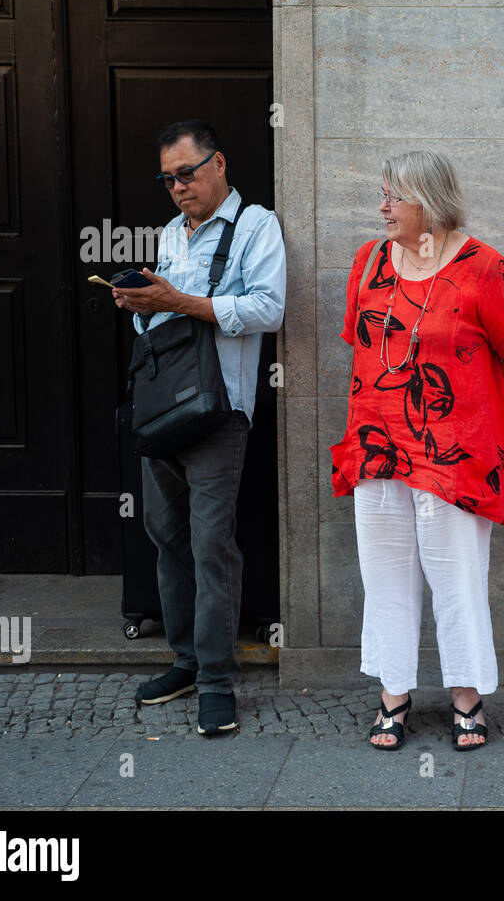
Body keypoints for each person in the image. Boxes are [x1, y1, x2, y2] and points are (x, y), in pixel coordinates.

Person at [330, 150, 504, 751]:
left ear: (431, 200)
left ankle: (466, 698)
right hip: (377, 446)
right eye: (383, 194)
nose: (383, 206)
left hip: (457, 455)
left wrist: (472, 410)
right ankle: (394, 693)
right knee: (386, 576)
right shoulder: (368, 262)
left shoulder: (484, 268)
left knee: (458, 578)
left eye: (395, 195)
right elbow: (362, 345)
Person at [114, 119, 286, 734]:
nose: (177, 188)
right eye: (167, 179)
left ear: (218, 164)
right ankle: (185, 660)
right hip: (163, 411)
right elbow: (160, 330)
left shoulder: (256, 226)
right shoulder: (169, 234)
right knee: (166, 539)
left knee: (213, 547)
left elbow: (269, 308)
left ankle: (216, 679)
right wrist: (139, 306)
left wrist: (175, 302)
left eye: (186, 174)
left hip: (218, 413)